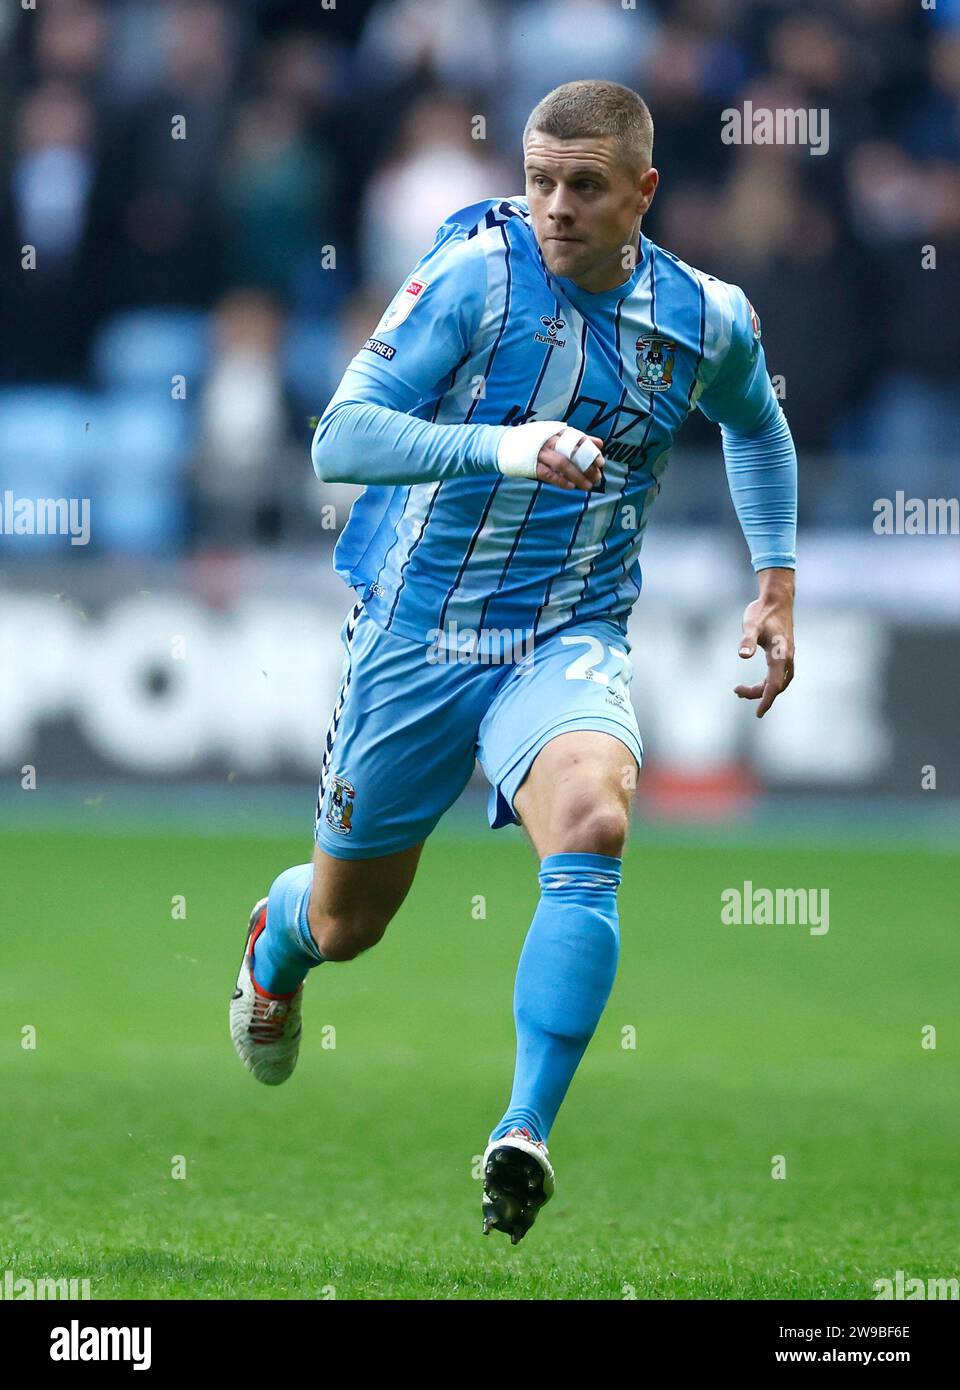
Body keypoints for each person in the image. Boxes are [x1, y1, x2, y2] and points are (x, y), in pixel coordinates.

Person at [229, 79, 797, 1244]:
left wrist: (777, 578)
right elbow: (341, 435)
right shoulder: (476, 275)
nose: (552, 206)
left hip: (567, 633)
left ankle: (523, 1130)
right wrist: (507, 444)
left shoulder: (704, 317)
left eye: (583, 187)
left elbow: (757, 421)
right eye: (539, 179)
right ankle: (276, 941)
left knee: (593, 821)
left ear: (644, 192)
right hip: (420, 631)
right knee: (350, 923)